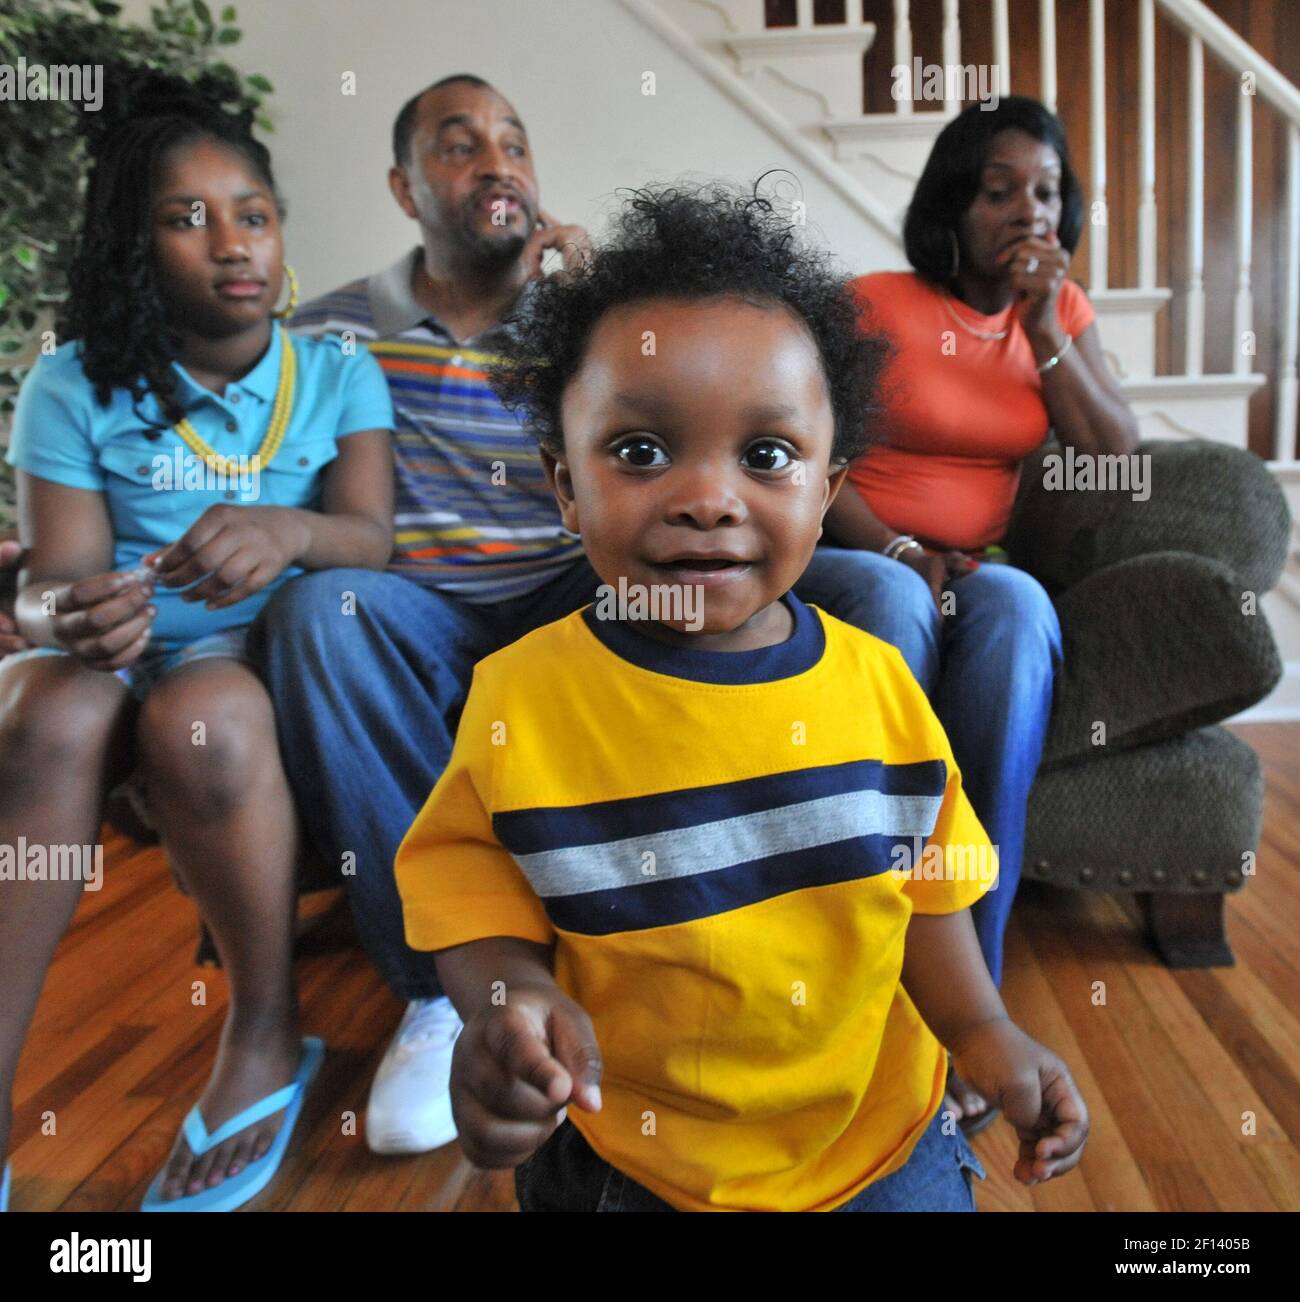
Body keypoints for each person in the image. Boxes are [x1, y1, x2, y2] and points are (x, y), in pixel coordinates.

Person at [251, 73, 932, 1157]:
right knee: (320, 610)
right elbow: (280, 478)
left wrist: (601, 300)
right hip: (420, 606)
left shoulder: (600, 316)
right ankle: (447, 991)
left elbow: (754, 422)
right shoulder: (333, 330)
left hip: (584, 577)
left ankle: (853, 928)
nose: (497, 164)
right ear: (401, 185)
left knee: (882, 596)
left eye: (514, 142)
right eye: (459, 146)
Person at [393, 183, 1089, 1212]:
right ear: (563, 484)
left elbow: (928, 894)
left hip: (876, 1145)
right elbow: (470, 896)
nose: (706, 497)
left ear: (826, 487)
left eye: (766, 456)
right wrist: (515, 1000)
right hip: (624, 1156)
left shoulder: (878, 686)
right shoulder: (519, 699)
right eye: (639, 451)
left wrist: (982, 1031)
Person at [0, 71, 394, 1212]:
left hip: (244, 665)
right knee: (44, 702)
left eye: (253, 214)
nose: (233, 243)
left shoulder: (334, 371)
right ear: (136, 244)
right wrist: (68, 615)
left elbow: (368, 540)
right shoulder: (72, 385)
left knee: (204, 717)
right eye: (187, 217)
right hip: (113, 658)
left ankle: (267, 1034)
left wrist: (290, 527)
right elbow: (49, 589)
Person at [823, 96, 1140, 1135]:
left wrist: (1044, 330)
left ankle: (973, 1007)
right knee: (891, 601)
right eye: (997, 189)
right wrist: (899, 549)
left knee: (1011, 605)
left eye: (1043, 192)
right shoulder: (872, 301)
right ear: (952, 205)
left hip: (976, 567)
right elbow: (802, 443)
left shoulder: (1061, 317)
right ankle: (864, 971)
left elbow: (1114, 462)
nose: (1023, 210)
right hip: (857, 552)